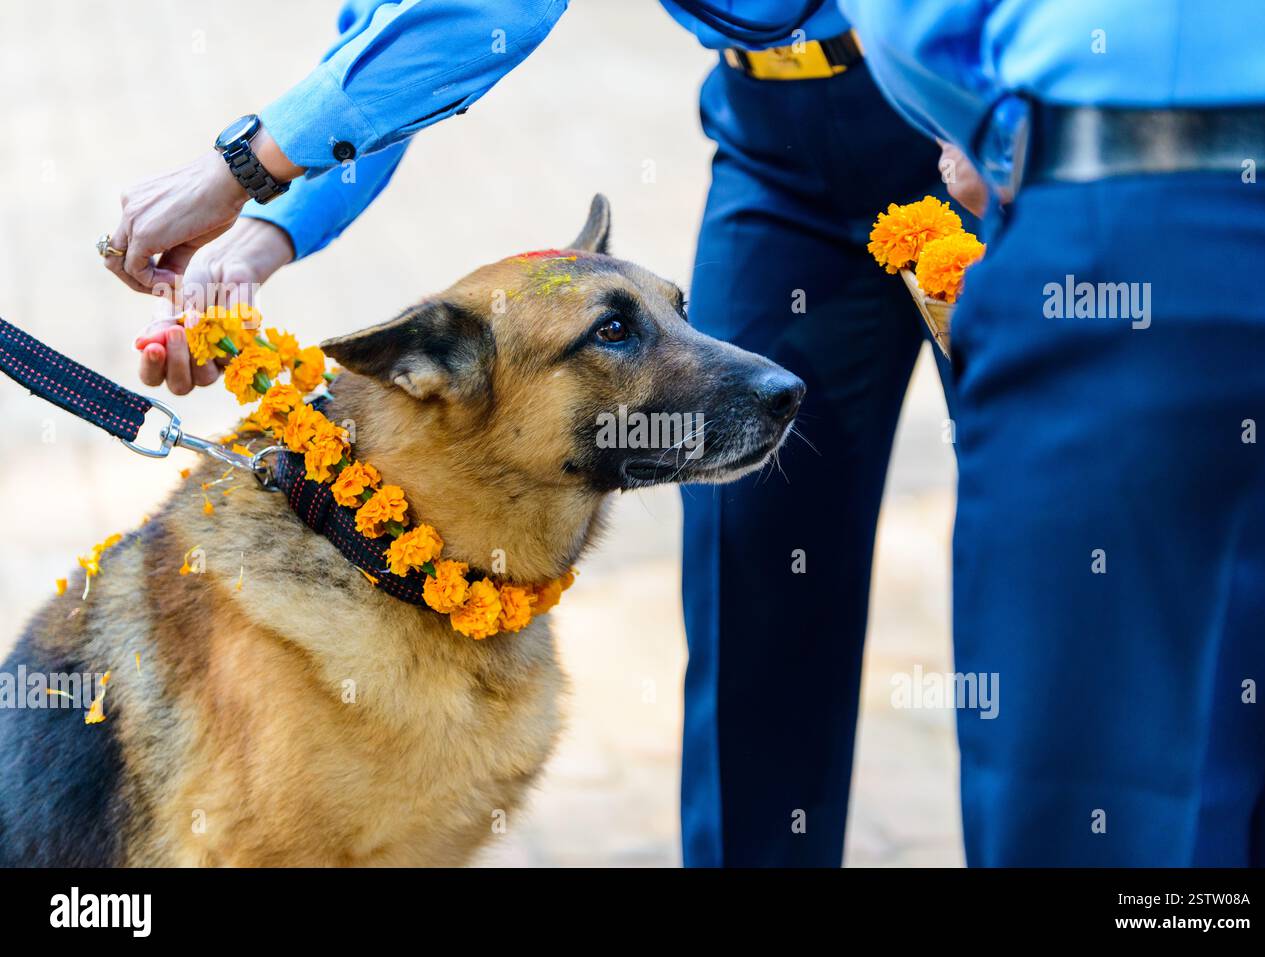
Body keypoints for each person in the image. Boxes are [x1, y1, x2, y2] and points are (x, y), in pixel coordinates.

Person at [104, 0, 954, 866]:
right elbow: (398, 53)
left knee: (1040, 552)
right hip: (778, 131)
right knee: (758, 586)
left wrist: (244, 162)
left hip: (978, 110)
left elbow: (482, 12)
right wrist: (261, 237)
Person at [837, 0, 1265, 865]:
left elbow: (915, 24)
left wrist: (1003, 134)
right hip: (1137, 221)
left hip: (1136, 215)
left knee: (1112, 812)